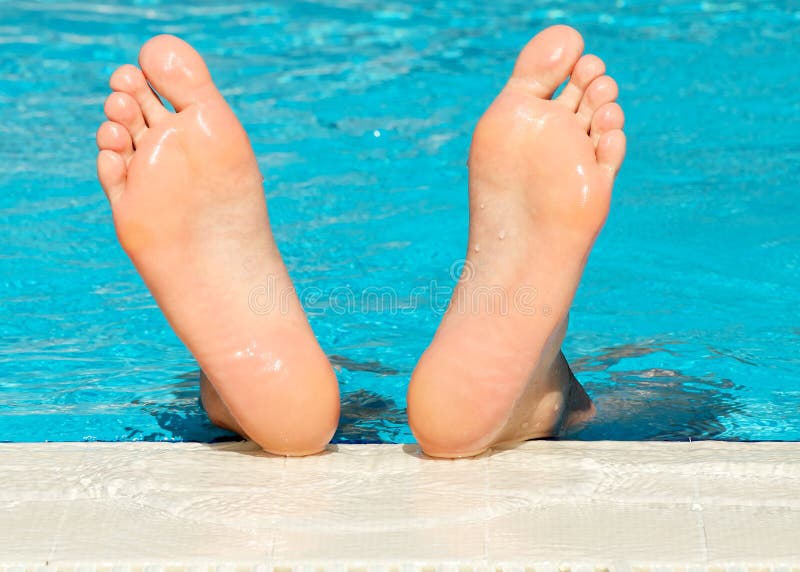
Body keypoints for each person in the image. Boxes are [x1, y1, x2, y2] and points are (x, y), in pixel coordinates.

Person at [95, 25, 625, 458]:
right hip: (539, 388)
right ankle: (544, 393)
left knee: (342, 387)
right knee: (658, 390)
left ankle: (226, 400)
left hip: (333, 367)